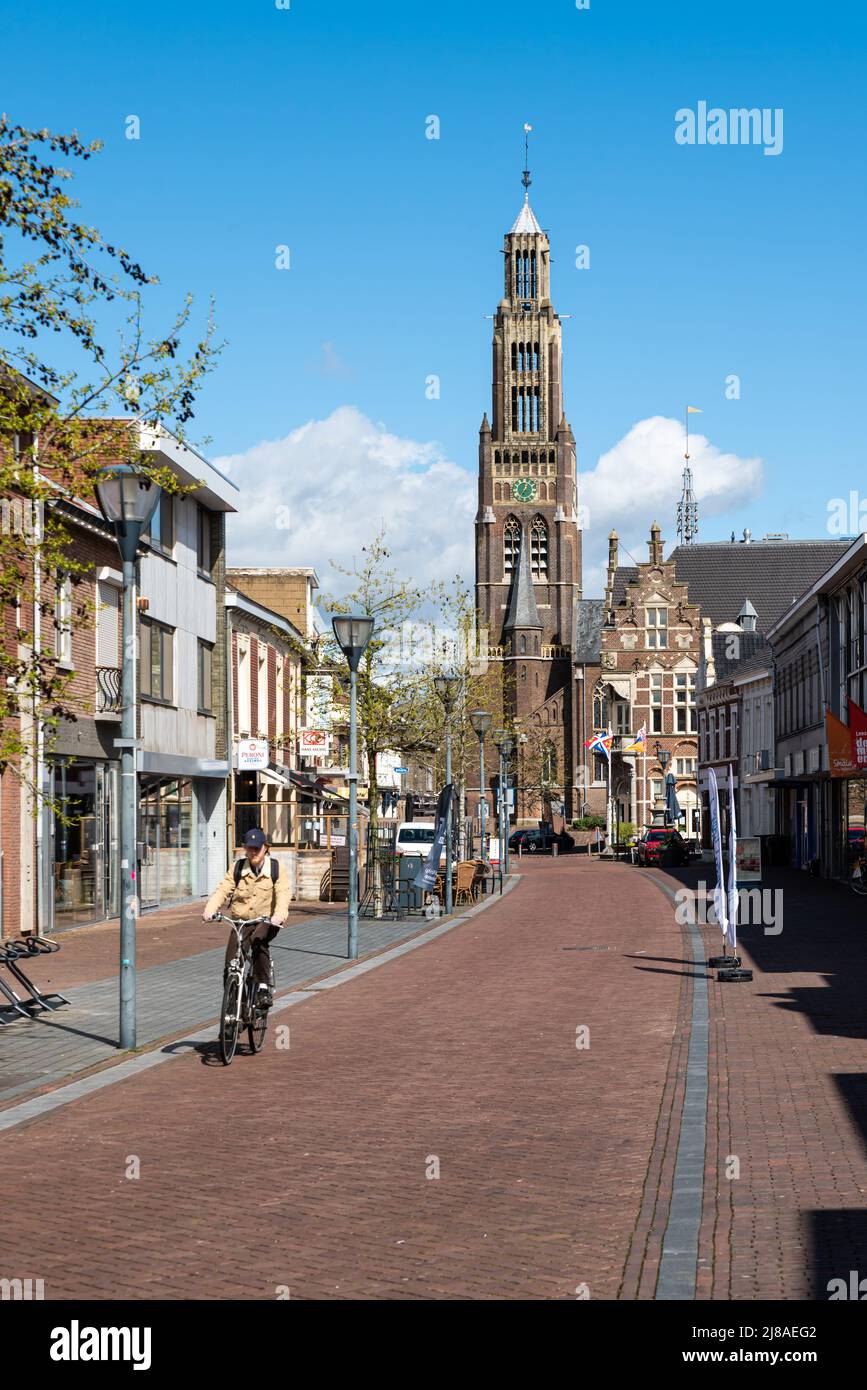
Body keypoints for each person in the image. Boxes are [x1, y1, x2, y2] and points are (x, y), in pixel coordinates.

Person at [202, 828, 289, 1009]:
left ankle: (263, 988)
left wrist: (279, 915)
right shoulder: (238, 867)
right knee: (231, 962)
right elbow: (223, 890)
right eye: (250, 848)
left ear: (266, 847)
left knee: (259, 940)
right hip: (241, 921)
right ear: (245, 848)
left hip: (266, 920)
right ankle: (233, 1010)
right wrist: (210, 909)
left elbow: (283, 893)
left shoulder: (275, 868)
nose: (253, 852)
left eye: (257, 848)